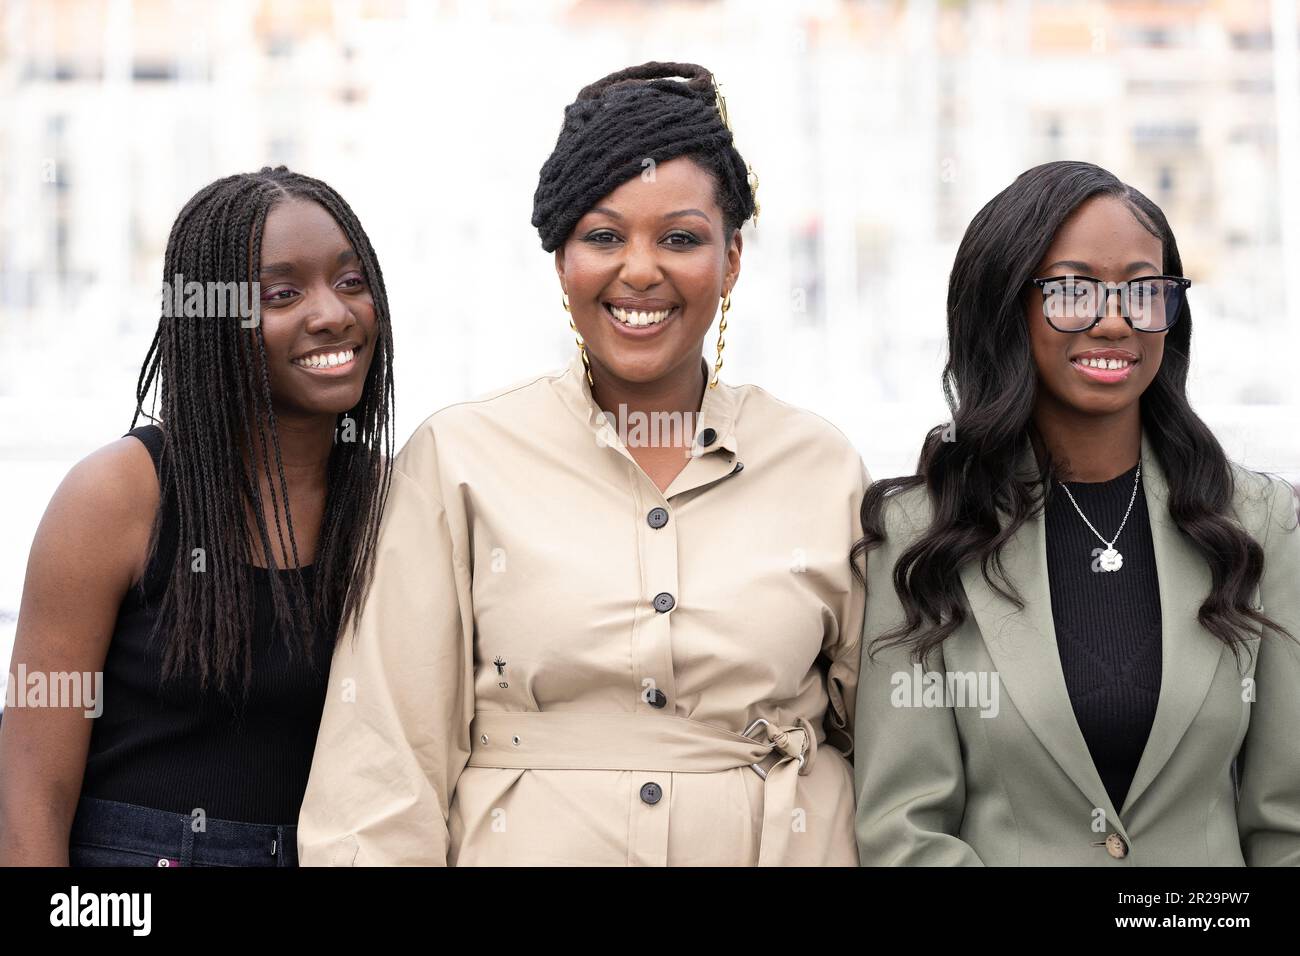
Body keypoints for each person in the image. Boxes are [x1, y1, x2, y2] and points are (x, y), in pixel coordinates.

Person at [297, 62, 867, 866]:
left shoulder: (822, 466)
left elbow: (890, 743)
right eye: (602, 237)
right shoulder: (457, 460)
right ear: (561, 260)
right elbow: (383, 763)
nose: (640, 270)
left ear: (731, 259)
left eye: (680, 238)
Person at [853, 160, 1300, 866]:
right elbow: (905, 829)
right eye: (1072, 290)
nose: (1115, 320)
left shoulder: (1260, 523)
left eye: (1143, 290)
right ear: (1007, 304)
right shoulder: (922, 533)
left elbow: (1288, 823)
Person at [0, 167, 395, 866]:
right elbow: (29, 796)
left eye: (351, 281)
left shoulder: (390, 501)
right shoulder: (118, 495)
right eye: (282, 293)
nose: (333, 312)